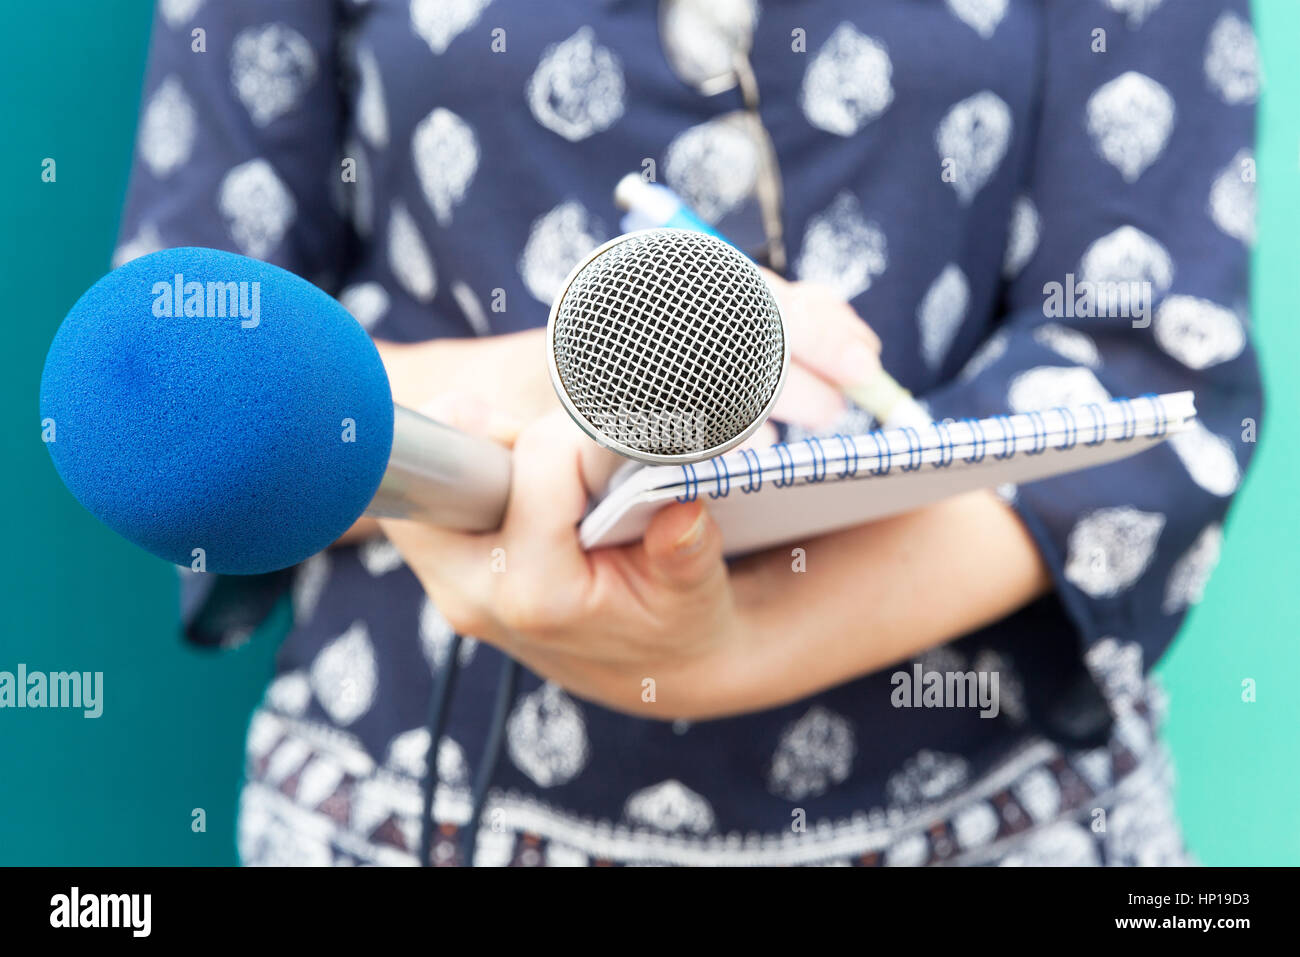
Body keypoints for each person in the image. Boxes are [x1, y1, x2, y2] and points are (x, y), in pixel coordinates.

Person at [117, 0, 1261, 865]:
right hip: (406, 808)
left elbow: (1152, 366)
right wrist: (593, 370)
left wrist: (720, 651)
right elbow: (181, 379)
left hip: (986, 818)